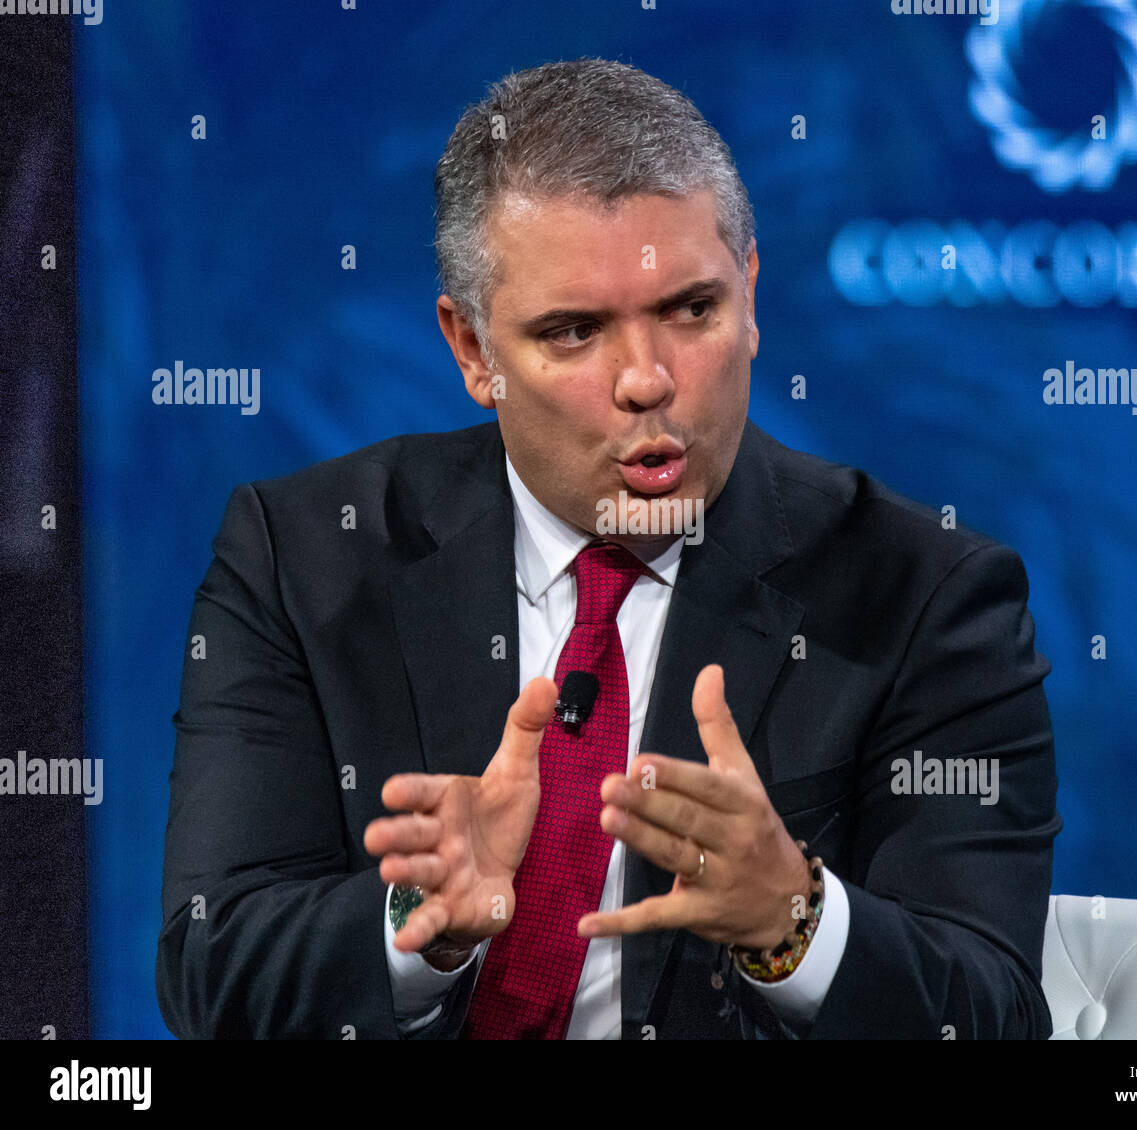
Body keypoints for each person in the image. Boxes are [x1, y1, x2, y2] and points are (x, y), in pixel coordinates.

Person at [156, 57, 1061, 1040]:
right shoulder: (307, 560)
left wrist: (792, 919)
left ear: (750, 295)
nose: (647, 380)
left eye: (690, 310)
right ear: (472, 352)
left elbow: (992, 1014)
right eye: (575, 330)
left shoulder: (921, 592)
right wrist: (418, 922)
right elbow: (214, 971)